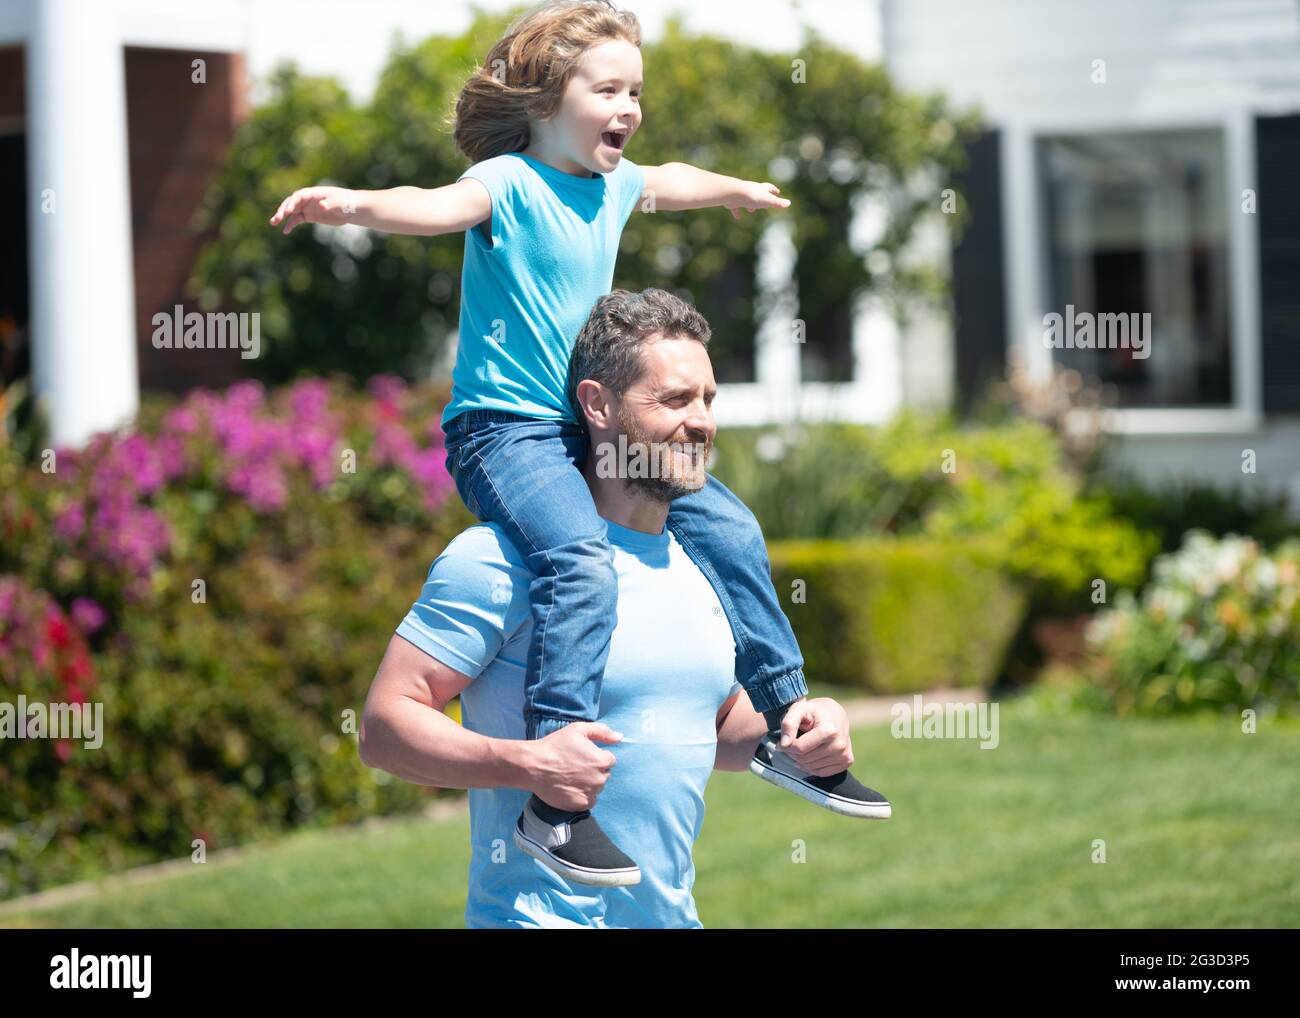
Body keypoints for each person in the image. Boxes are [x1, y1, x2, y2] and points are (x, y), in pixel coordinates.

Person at [272, 0, 888, 886]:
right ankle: (558, 801)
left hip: (577, 427)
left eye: (635, 90)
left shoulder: (616, 184)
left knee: (732, 530)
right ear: (544, 101)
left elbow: (671, 177)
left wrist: (736, 190)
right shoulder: (511, 182)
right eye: (608, 89)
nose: (628, 107)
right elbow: (434, 206)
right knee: (577, 557)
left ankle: (791, 730)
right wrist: (354, 205)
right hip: (504, 431)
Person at [359, 288, 889, 927]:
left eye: (707, 399)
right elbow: (383, 728)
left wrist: (804, 729)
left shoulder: (704, 564)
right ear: (598, 404)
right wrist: (526, 764)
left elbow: (704, 726)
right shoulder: (498, 561)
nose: (702, 422)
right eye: (673, 400)